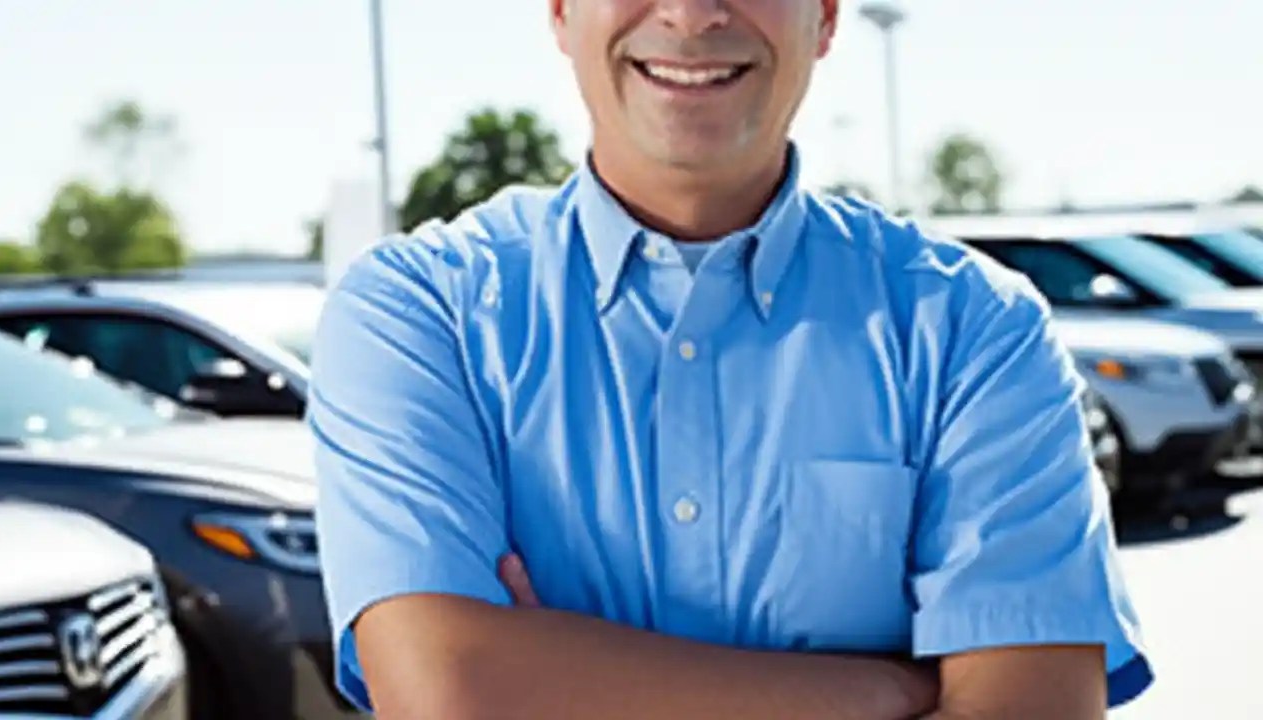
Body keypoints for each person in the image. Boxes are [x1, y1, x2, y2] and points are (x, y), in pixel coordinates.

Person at [308, 0, 1153, 717]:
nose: (692, 13)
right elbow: (453, 692)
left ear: (824, 15)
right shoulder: (420, 314)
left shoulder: (973, 327)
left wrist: (556, 675)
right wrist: (885, 690)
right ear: (560, 9)